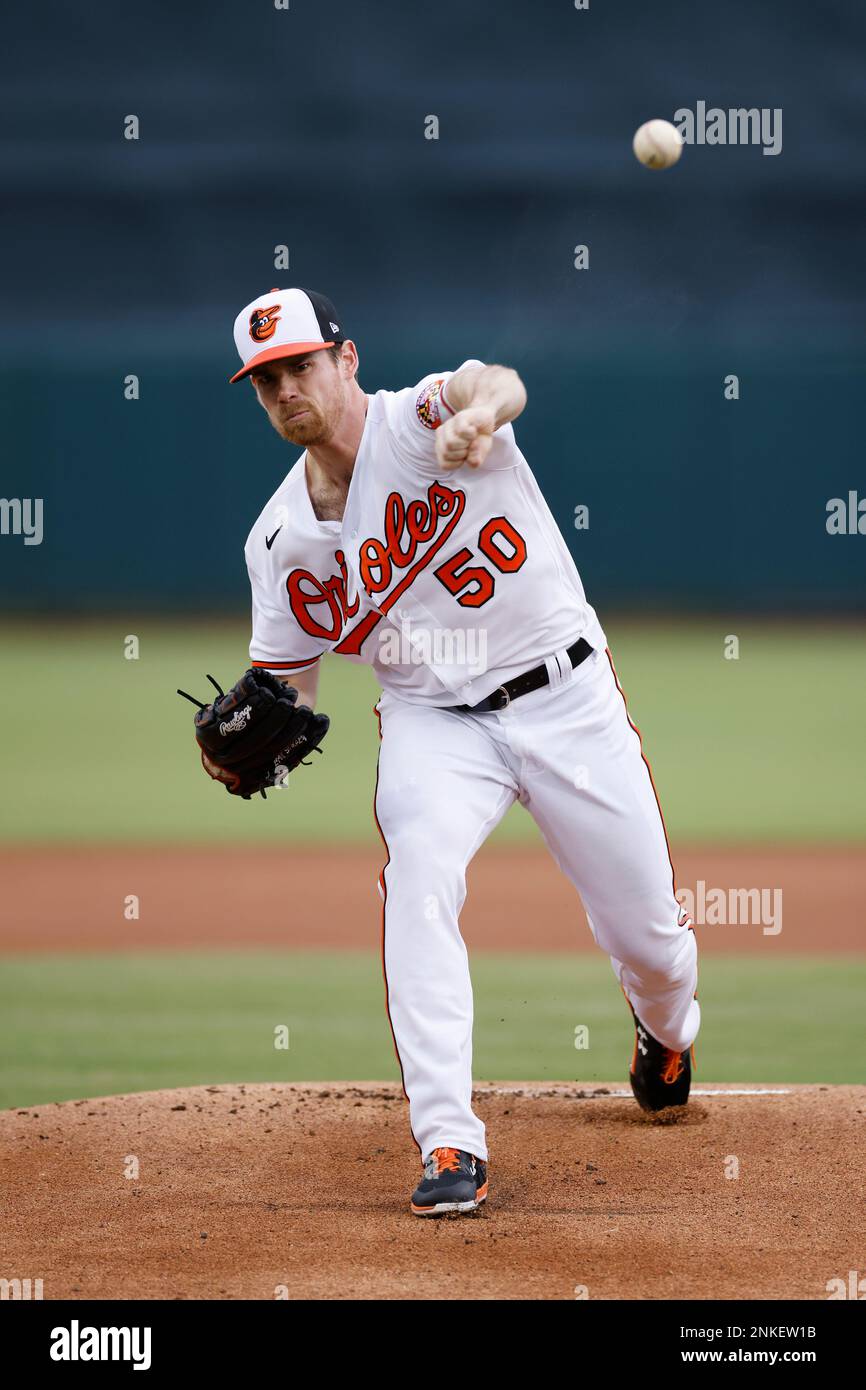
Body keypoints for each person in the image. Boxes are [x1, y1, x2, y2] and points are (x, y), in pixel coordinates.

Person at [221, 284, 700, 1217]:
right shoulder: (279, 543)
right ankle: (449, 1139)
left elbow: (497, 383)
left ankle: (665, 1028)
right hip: (434, 725)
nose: (286, 389)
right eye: (265, 378)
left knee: (652, 942)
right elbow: (290, 685)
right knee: (418, 882)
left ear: (346, 359)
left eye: (301, 365)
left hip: (565, 697)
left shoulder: (423, 417)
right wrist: (254, 743)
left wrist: (480, 413)